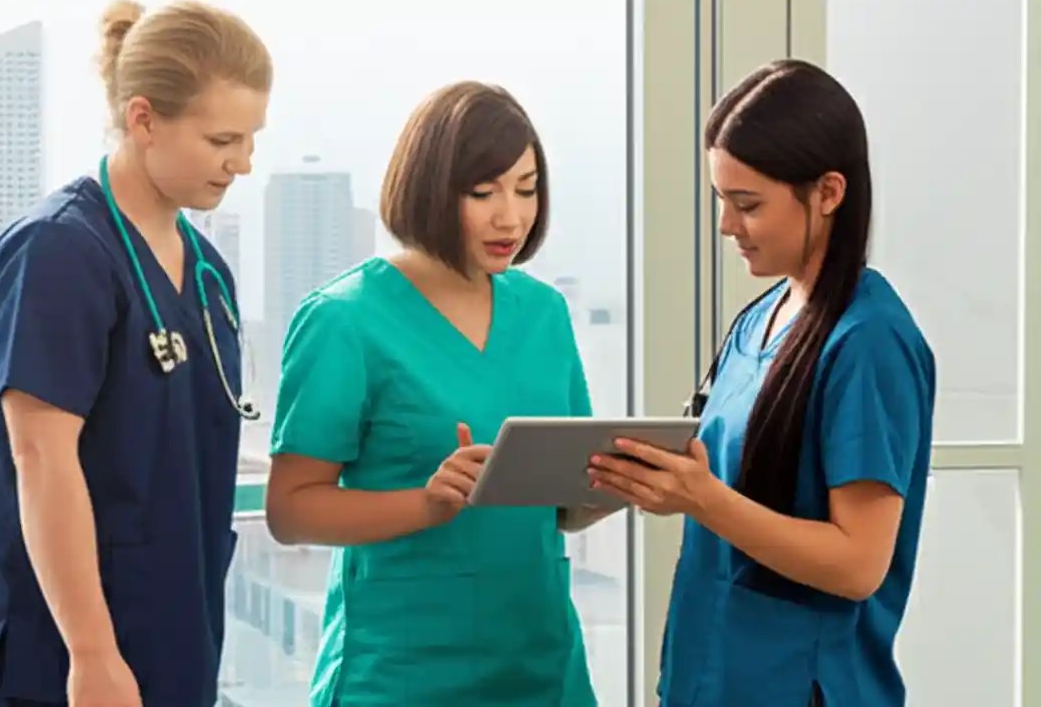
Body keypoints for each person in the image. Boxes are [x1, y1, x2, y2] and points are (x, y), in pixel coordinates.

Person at [0, 0, 271, 707]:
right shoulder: (58, 251)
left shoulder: (207, 274)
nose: (242, 163)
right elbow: (41, 459)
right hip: (54, 660)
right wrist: (91, 652)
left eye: (250, 139)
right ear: (143, 119)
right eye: (221, 140)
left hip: (172, 644)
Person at [588, 58, 936, 707]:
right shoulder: (760, 319)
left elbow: (858, 564)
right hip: (709, 678)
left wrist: (702, 500)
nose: (727, 226)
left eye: (747, 205)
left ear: (829, 193)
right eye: (722, 201)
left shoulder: (869, 343)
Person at [264, 81, 611, 706]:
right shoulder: (345, 319)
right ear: (430, 190)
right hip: (399, 674)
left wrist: (623, 484)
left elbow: (564, 505)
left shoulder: (544, 313)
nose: (511, 217)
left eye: (527, 189)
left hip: (540, 668)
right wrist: (425, 504)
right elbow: (290, 512)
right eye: (484, 193)